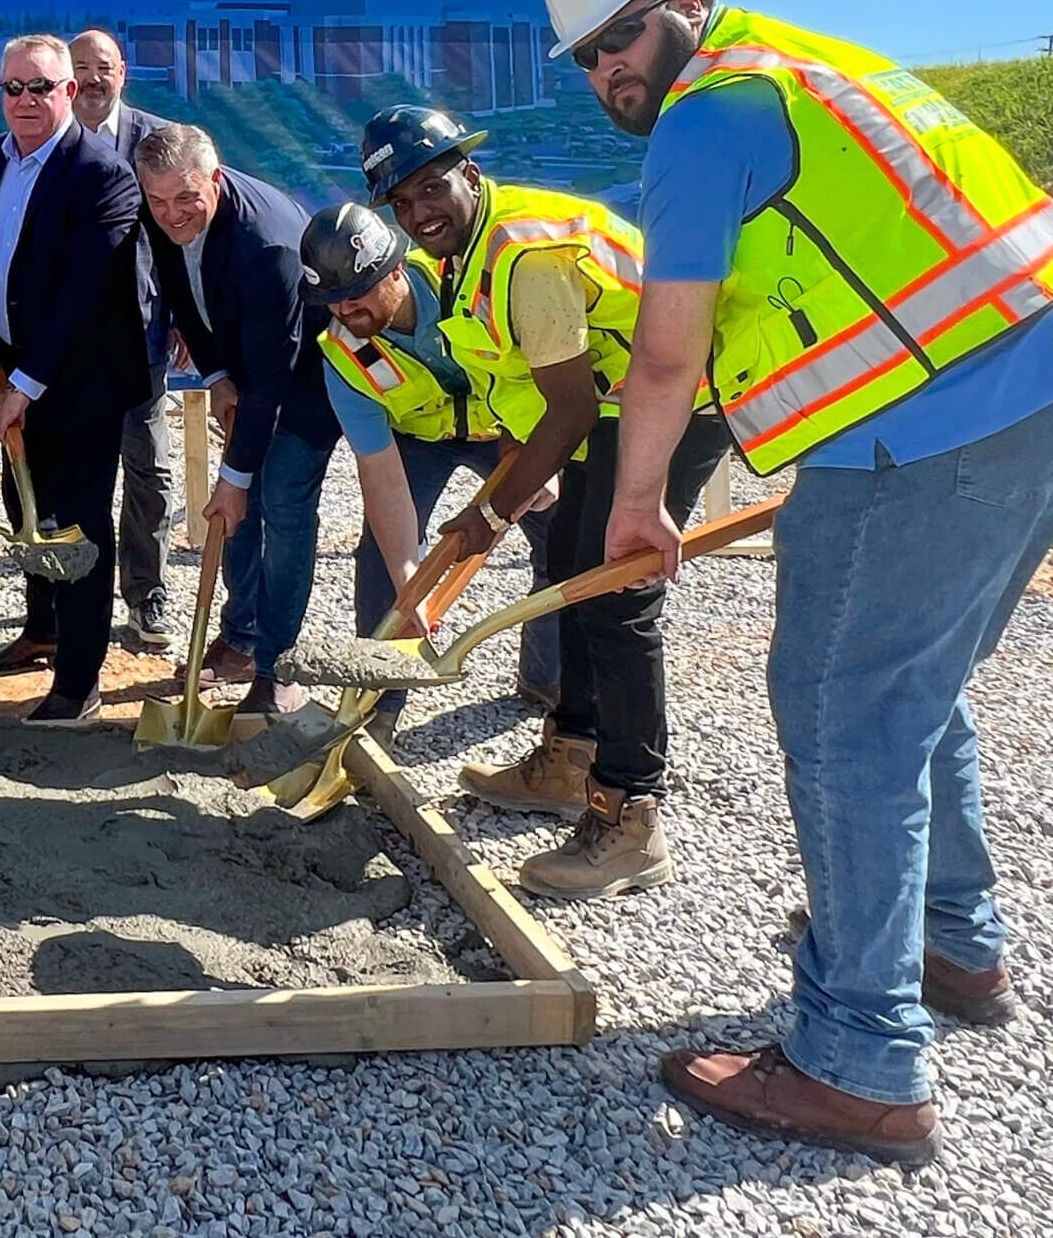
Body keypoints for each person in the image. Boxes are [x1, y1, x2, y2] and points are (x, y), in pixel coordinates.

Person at [548, 0, 1053, 1165]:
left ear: (688, 1)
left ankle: (861, 1062)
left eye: (623, 37)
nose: (610, 71)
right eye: (587, 58)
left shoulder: (705, 121)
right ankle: (947, 943)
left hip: (936, 426)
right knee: (913, 686)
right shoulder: (813, 66)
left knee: (840, 714)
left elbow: (667, 354)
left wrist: (637, 504)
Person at [366, 103, 729, 897]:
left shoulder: (524, 254)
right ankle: (572, 755)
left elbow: (567, 410)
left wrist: (492, 512)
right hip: (612, 404)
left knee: (617, 595)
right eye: (402, 202)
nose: (419, 213)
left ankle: (631, 815)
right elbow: (522, 382)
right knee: (567, 570)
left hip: (675, 398)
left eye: (432, 188)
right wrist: (515, 472)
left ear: (469, 174)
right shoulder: (458, 259)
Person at [295, 200, 556, 738]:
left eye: (357, 294)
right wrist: (408, 583)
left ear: (395, 270)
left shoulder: (466, 292)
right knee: (381, 562)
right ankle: (377, 707)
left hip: (506, 428)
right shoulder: (344, 356)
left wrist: (542, 459)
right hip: (420, 440)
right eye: (333, 301)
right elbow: (380, 473)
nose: (345, 311)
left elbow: (540, 371)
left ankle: (548, 680)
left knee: (563, 535)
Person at [0, 34, 149, 722]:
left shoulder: (103, 174)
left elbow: (83, 295)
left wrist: (26, 385)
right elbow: (5, 250)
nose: (25, 100)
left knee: (75, 526)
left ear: (69, 91)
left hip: (80, 383)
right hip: (18, 366)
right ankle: (42, 630)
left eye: (40, 87)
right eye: (12, 88)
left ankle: (78, 682)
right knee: (24, 507)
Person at [132, 123, 338, 716]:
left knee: (281, 504)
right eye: (158, 201)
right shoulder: (160, 209)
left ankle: (278, 666)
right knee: (238, 516)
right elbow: (181, 295)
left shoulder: (267, 246)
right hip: (246, 366)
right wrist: (218, 378)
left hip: (307, 381)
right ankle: (242, 638)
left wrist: (235, 476)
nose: (172, 215)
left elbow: (274, 380)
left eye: (186, 198)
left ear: (215, 180)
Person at [70, 28, 177, 648]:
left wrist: (186, 318)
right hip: (65, 346)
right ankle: (65, 604)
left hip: (142, 338)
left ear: (123, 73)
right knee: (73, 474)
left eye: (102, 67)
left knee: (150, 471)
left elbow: (183, 238)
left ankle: (147, 596)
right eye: (80, 67)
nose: (92, 79)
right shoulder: (46, 140)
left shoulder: (159, 142)